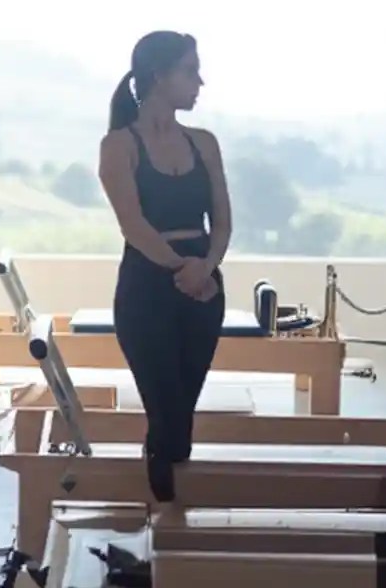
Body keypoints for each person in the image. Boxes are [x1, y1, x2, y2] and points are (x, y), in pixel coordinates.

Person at [96, 31, 232, 518]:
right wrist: (183, 269)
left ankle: (171, 513)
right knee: (166, 410)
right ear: (159, 76)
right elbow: (132, 225)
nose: (200, 82)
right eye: (190, 71)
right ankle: (163, 505)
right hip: (148, 287)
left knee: (181, 419)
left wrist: (205, 268)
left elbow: (222, 220)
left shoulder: (205, 143)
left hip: (204, 286)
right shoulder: (119, 145)